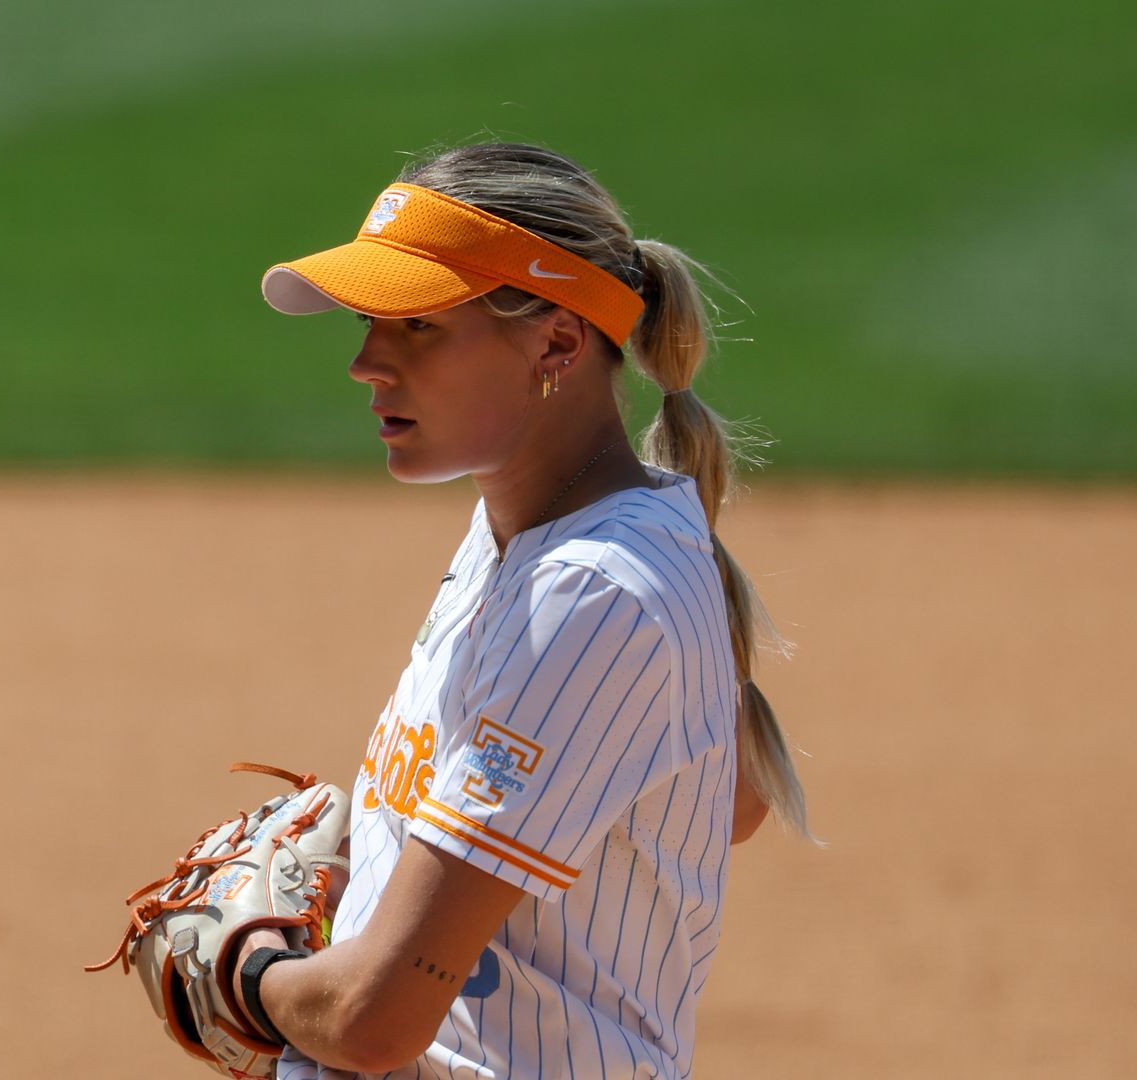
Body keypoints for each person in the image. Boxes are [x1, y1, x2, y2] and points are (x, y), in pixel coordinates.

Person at [232, 143, 811, 1079]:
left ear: (556, 342)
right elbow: (725, 798)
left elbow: (373, 1022)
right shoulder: (528, 531)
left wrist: (245, 972)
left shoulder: (592, 592)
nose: (365, 362)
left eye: (417, 325)